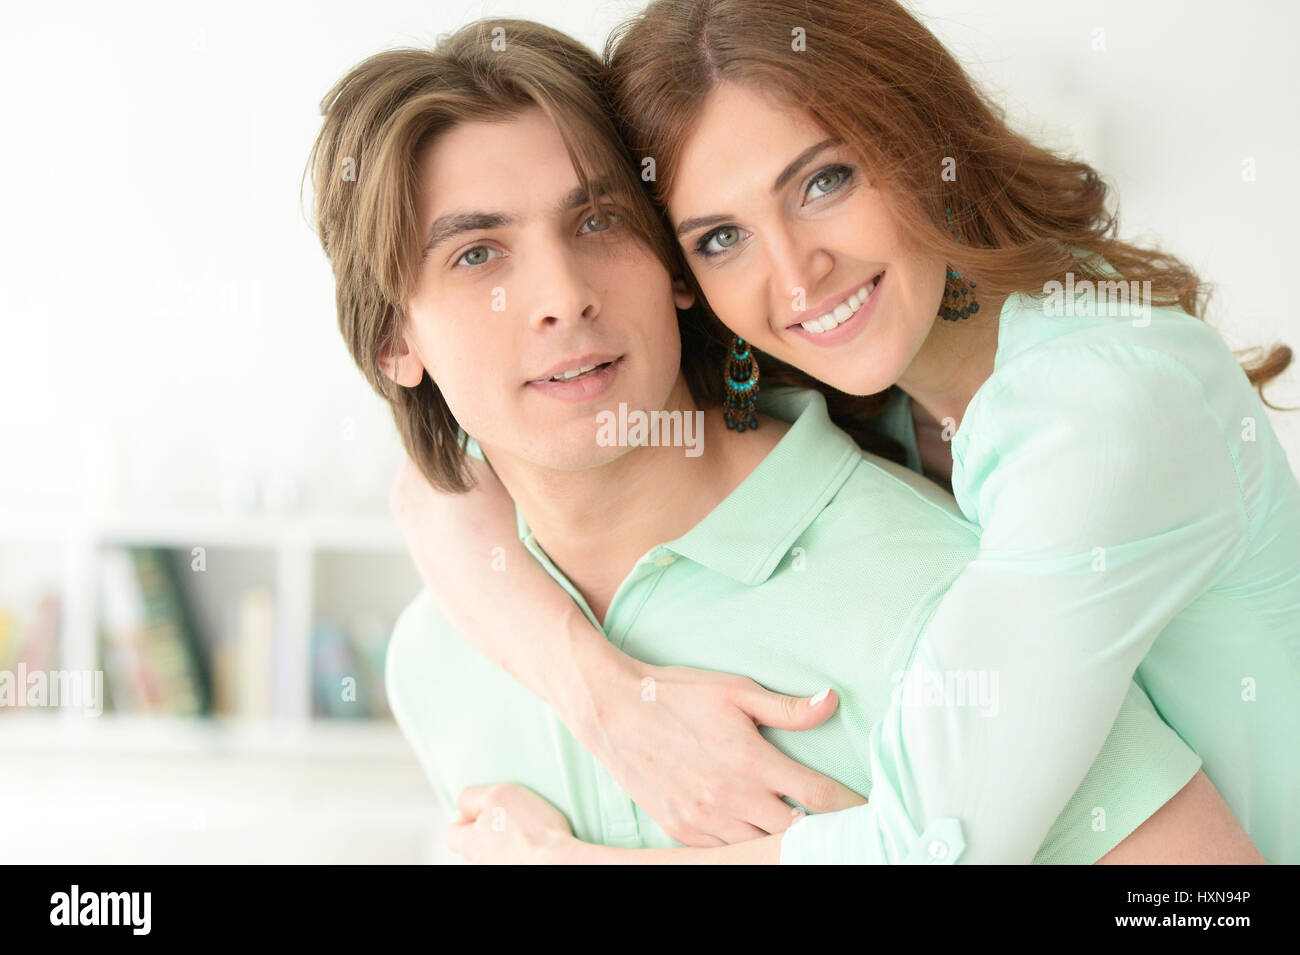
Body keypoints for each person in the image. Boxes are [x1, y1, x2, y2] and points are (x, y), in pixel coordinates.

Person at [307, 19, 1263, 864]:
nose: (563, 297)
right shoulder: (442, 650)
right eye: (477, 255)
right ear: (393, 340)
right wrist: (601, 694)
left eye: (599, 219)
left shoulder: (967, 558)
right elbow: (434, 489)